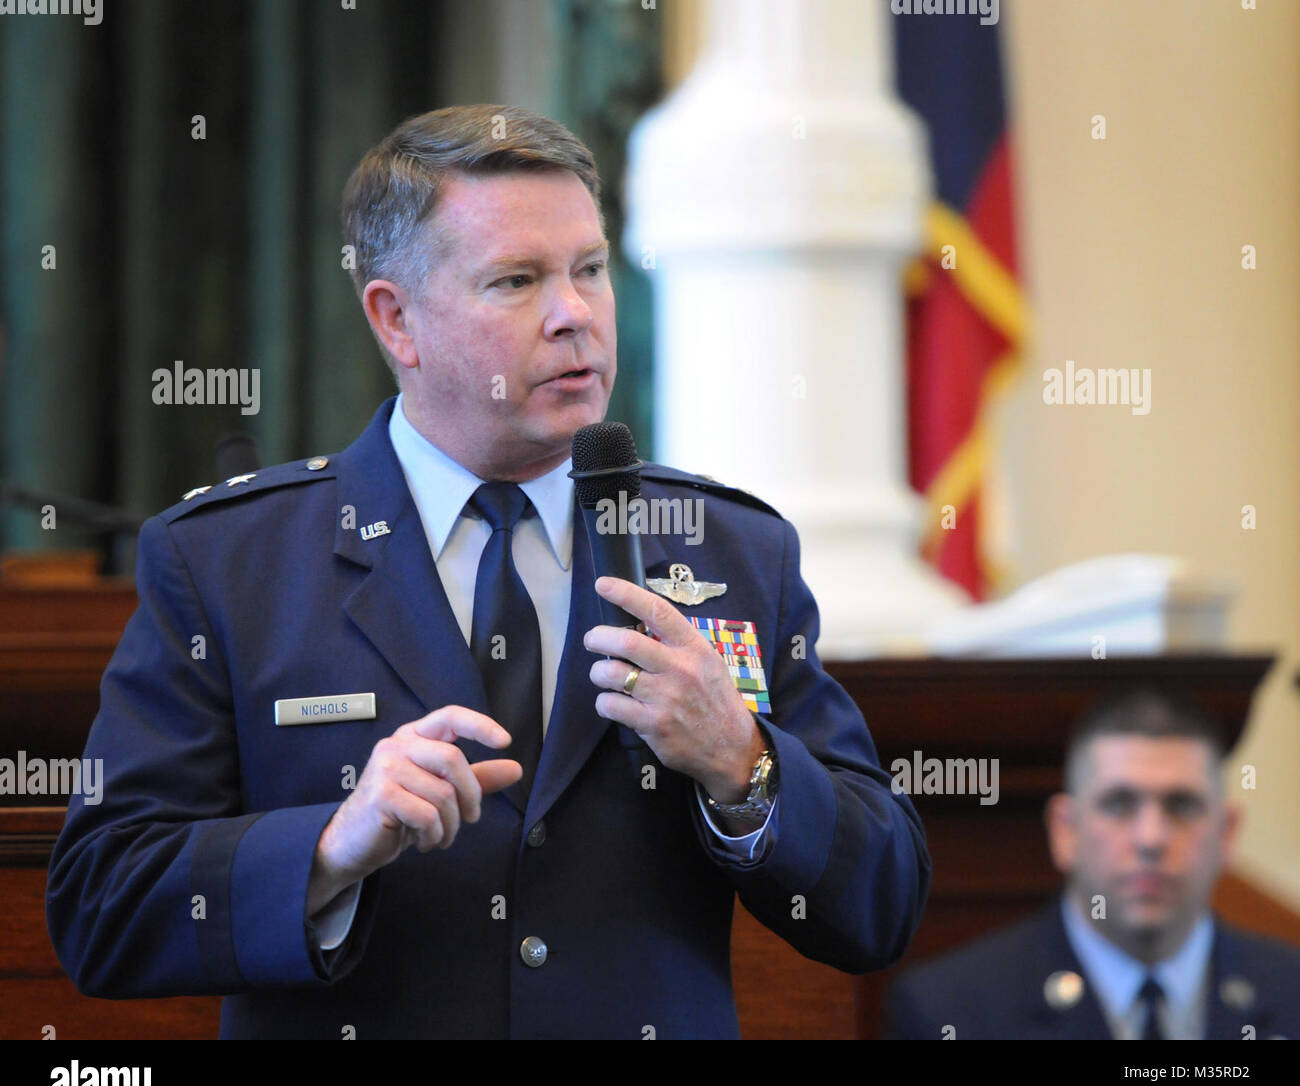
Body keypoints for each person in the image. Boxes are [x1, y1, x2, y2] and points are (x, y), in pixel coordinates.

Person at [46, 104, 930, 1039]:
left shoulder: (726, 547)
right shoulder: (229, 563)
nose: (575, 315)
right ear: (396, 319)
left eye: (591, 269)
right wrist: (328, 849)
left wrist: (742, 764)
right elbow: (104, 908)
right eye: (517, 281)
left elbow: (884, 905)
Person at [885, 689, 1300, 1039]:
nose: (1150, 838)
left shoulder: (1291, 995)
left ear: (1225, 834)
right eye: (1118, 804)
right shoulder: (952, 1012)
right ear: (1065, 831)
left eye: (1182, 805)